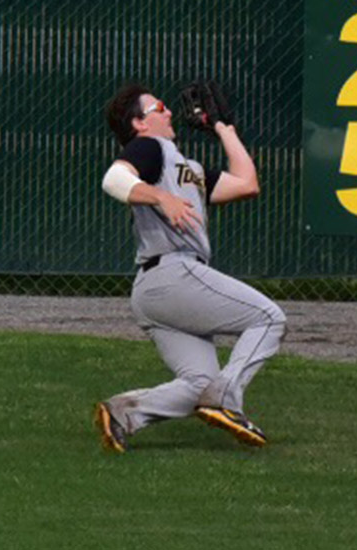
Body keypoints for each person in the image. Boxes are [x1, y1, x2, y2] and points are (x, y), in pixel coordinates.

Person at [93, 83, 287, 453]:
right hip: (174, 273)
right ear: (139, 123)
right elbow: (113, 179)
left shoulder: (187, 168)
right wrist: (160, 197)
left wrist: (223, 128)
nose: (168, 112)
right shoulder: (151, 148)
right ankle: (226, 400)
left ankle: (122, 412)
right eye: (159, 107)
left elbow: (247, 184)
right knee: (269, 318)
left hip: (156, 290)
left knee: (200, 382)